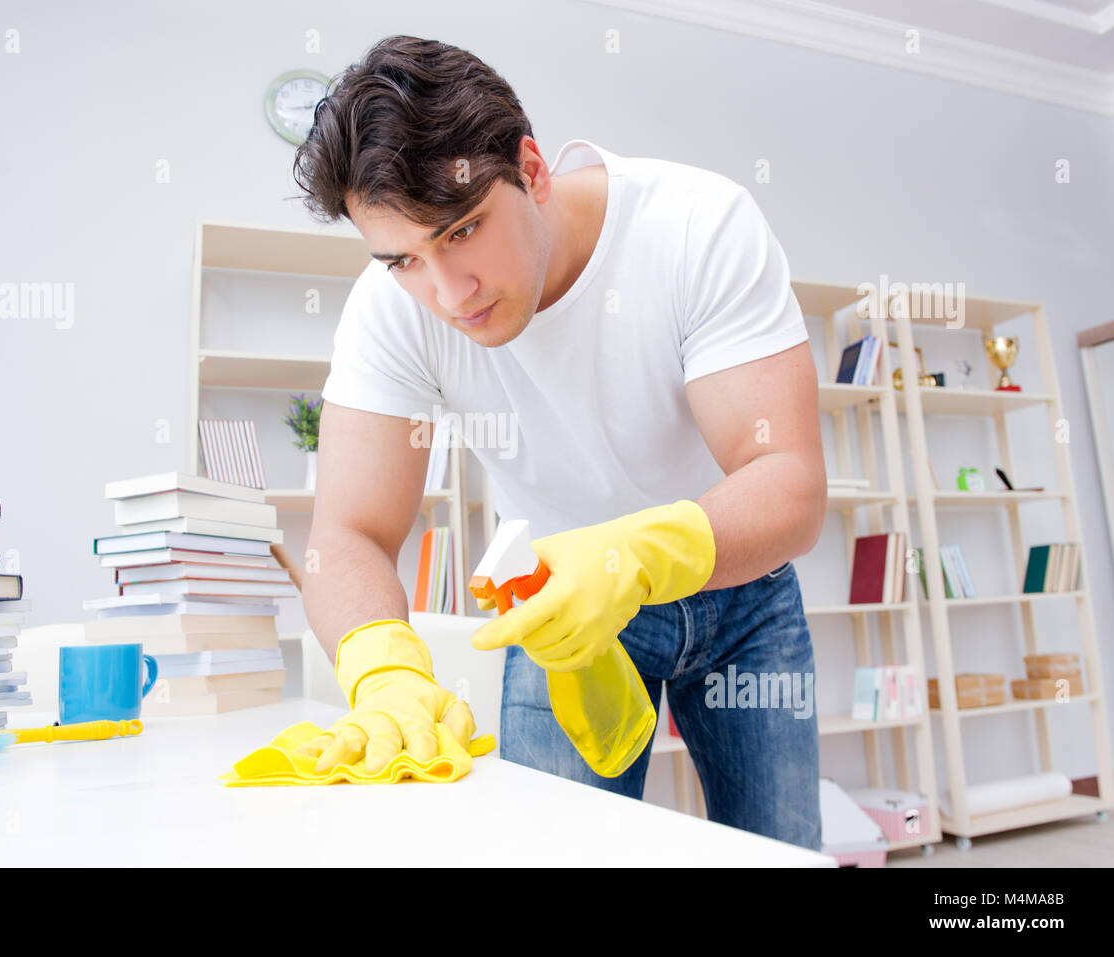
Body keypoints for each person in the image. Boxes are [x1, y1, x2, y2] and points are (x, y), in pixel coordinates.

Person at [288, 35, 826, 850]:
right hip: (558, 608)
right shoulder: (390, 309)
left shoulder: (694, 226)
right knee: (554, 853)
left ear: (532, 169)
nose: (447, 293)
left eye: (462, 230)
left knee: (780, 849)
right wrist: (382, 667)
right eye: (404, 258)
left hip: (742, 589)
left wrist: (633, 557)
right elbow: (349, 533)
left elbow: (787, 480)